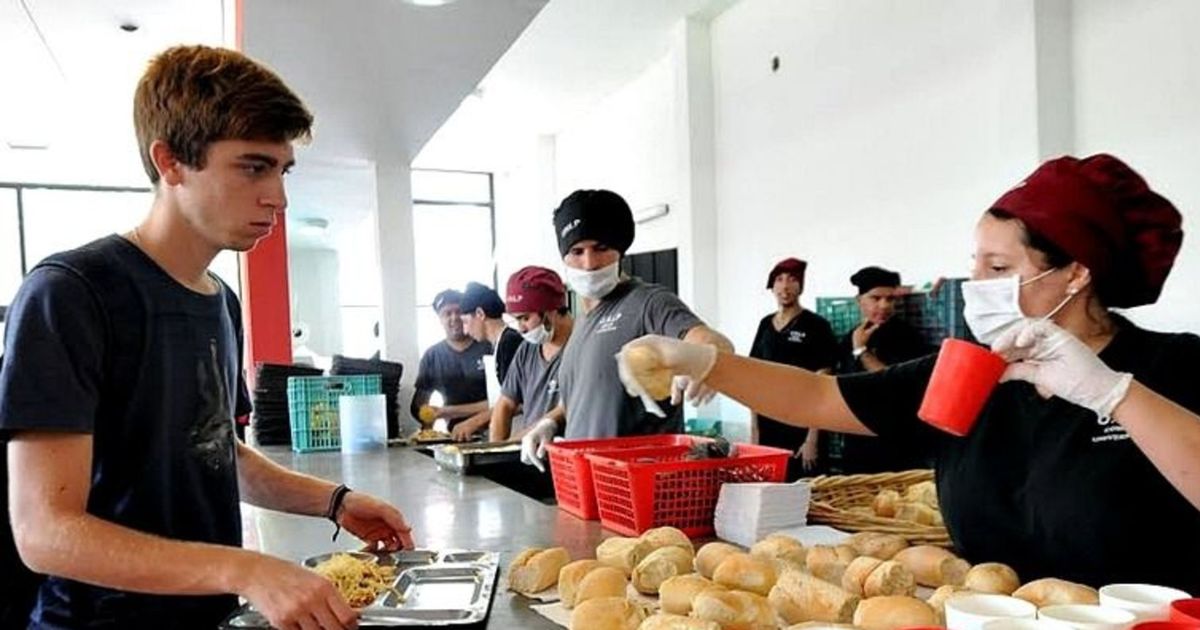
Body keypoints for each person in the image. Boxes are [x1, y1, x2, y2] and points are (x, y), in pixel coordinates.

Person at [618, 154, 1200, 592]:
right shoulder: (971, 375)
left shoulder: (1173, 366)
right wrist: (707, 363)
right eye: (975, 262)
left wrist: (1113, 392)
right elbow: (821, 396)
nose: (977, 281)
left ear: (1076, 274)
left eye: (999, 266)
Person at [0, 45, 415, 629]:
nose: (278, 197)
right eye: (253, 166)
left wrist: (335, 501)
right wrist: (246, 569)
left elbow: (214, 450)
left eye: (281, 169)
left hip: (208, 617)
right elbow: (44, 532)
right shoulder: (71, 292)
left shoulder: (221, 299)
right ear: (170, 162)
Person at [520, 189, 734, 470]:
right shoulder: (583, 320)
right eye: (577, 251)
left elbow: (711, 341)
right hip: (585, 485)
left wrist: (706, 360)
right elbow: (585, 398)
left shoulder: (648, 302)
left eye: (600, 248)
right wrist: (550, 421)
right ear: (564, 257)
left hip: (639, 489)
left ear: (619, 250)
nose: (589, 263)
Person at [833, 265, 934, 474]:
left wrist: (862, 351)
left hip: (897, 444)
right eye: (876, 298)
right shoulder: (848, 338)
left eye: (891, 299)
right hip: (856, 442)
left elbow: (897, 383)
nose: (884, 305)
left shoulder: (906, 336)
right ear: (859, 300)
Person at [749, 257, 838, 479]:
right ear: (772, 286)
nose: (785, 286)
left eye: (792, 279)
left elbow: (822, 386)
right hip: (770, 425)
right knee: (773, 492)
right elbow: (754, 378)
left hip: (803, 427)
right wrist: (755, 432)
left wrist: (812, 438)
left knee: (807, 494)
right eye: (779, 279)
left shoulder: (817, 326)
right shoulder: (765, 325)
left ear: (801, 286)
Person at [489, 267, 574, 442]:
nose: (520, 328)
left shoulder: (581, 346)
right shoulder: (527, 350)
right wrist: (494, 452)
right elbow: (505, 405)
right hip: (527, 459)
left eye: (525, 318)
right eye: (517, 319)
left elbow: (567, 407)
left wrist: (515, 442)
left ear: (551, 310)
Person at [449, 282, 523, 441]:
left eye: (466, 322)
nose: (466, 330)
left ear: (480, 313)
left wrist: (475, 421)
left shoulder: (510, 343)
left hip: (518, 436)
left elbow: (519, 402)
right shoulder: (496, 346)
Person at [408, 289, 490, 430]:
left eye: (458, 311)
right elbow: (419, 405)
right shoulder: (432, 356)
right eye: (447, 313)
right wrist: (427, 429)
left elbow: (506, 401)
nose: (454, 318)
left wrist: (447, 411)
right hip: (453, 435)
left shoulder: (488, 348)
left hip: (493, 432)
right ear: (439, 319)